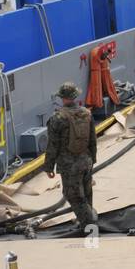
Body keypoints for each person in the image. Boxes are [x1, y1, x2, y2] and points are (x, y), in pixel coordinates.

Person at [44, 82, 99, 231]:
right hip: (86, 161)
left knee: (73, 195)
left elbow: (52, 145)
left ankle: (89, 224)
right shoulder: (87, 114)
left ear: (62, 98)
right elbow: (93, 140)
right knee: (86, 193)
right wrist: (92, 159)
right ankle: (87, 219)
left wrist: (49, 167)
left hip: (69, 165)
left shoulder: (58, 118)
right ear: (75, 96)